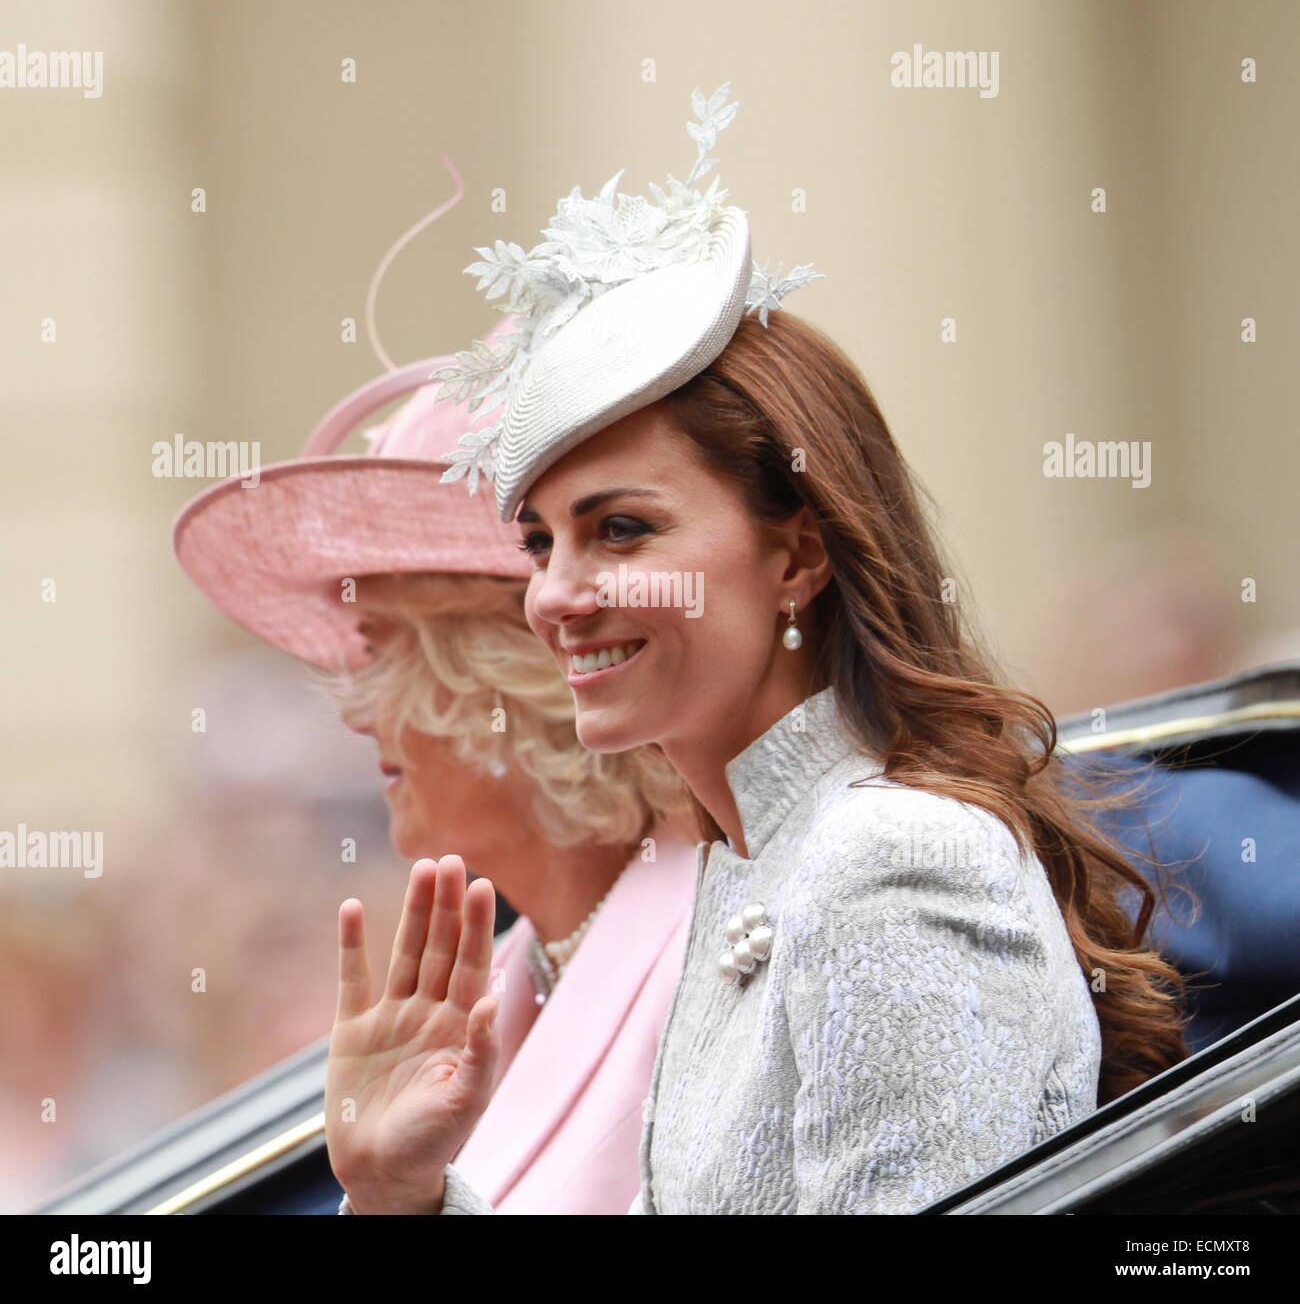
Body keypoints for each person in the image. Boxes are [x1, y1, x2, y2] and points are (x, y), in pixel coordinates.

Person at [328, 81, 1190, 1216]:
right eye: (540, 543)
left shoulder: (889, 859)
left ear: (799, 555)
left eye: (621, 529)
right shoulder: (748, 856)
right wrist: (406, 1195)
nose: (557, 597)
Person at [172, 325, 698, 1214]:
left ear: (518, 672)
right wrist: (393, 1196)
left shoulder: (720, 941)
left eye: (383, 651)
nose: (355, 711)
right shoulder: (501, 981)